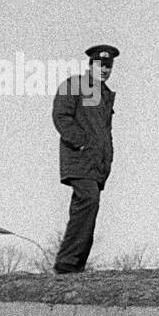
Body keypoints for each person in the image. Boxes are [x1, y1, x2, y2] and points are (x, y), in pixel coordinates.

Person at [51, 44, 119, 273]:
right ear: (90, 65)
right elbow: (61, 115)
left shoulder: (105, 93)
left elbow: (104, 130)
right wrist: (79, 142)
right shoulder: (76, 84)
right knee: (88, 201)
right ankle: (67, 264)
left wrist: (106, 157)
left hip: (96, 164)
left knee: (87, 207)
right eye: (100, 65)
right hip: (80, 158)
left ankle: (74, 265)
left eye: (108, 66)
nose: (105, 69)